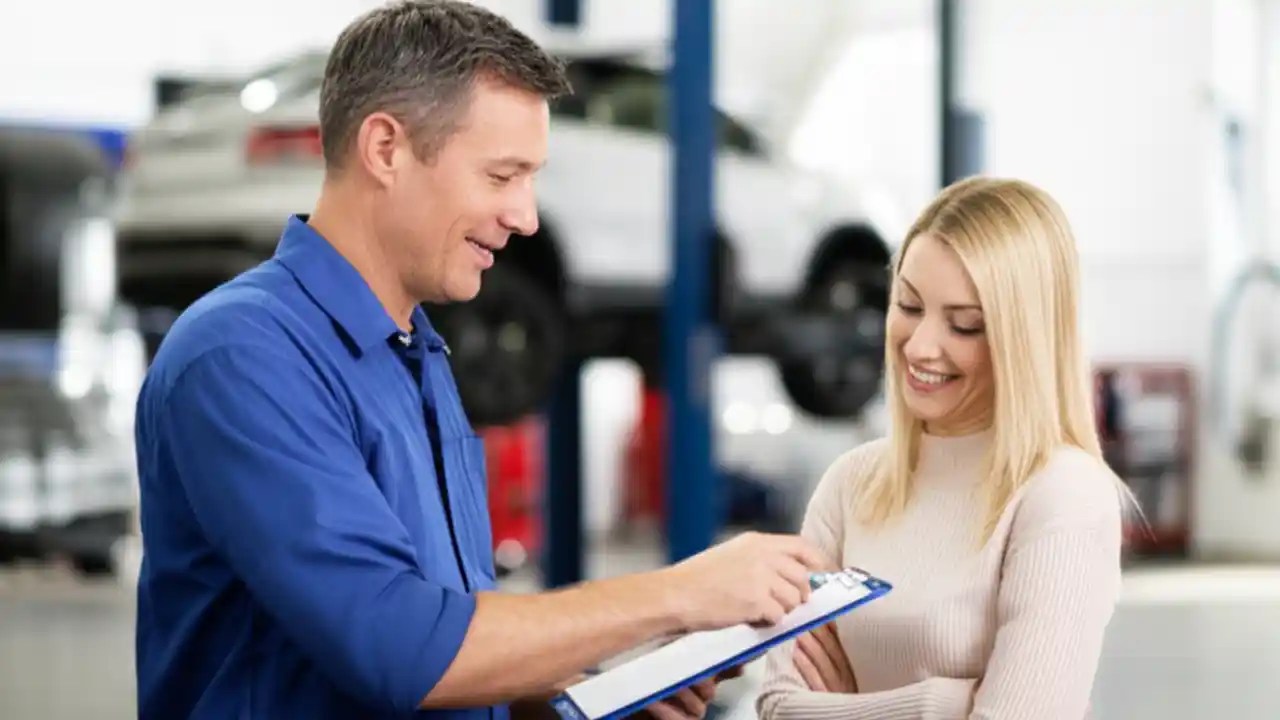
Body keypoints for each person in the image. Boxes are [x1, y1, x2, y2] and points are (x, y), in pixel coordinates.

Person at [132, 2, 831, 719]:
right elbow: (399, 649)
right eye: (502, 176)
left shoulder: (418, 354)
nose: (525, 216)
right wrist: (679, 593)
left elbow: (447, 635)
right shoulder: (244, 358)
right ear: (385, 149)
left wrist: (577, 691)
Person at [755, 176, 1136, 719]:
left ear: (1023, 337)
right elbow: (778, 707)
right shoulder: (850, 484)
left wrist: (847, 708)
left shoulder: (1063, 494)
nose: (920, 345)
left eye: (965, 325)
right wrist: (941, 704)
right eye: (908, 306)